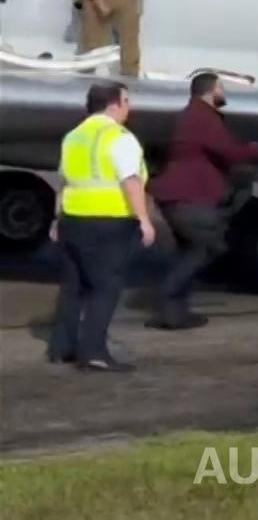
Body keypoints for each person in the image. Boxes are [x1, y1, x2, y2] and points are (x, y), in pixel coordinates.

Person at [147, 73, 258, 330]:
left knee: (187, 251)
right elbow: (231, 151)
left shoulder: (189, 116)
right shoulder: (203, 118)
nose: (224, 93)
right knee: (208, 248)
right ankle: (166, 294)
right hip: (189, 198)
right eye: (221, 88)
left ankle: (175, 314)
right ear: (211, 91)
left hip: (175, 196)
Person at [46, 82, 156, 372]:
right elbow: (130, 180)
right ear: (113, 104)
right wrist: (144, 220)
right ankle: (93, 352)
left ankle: (62, 347)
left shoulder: (73, 137)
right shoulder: (119, 137)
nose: (129, 107)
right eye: (127, 100)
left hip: (73, 220)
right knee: (105, 288)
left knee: (73, 287)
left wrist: (57, 219)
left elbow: (64, 180)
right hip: (107, 223)